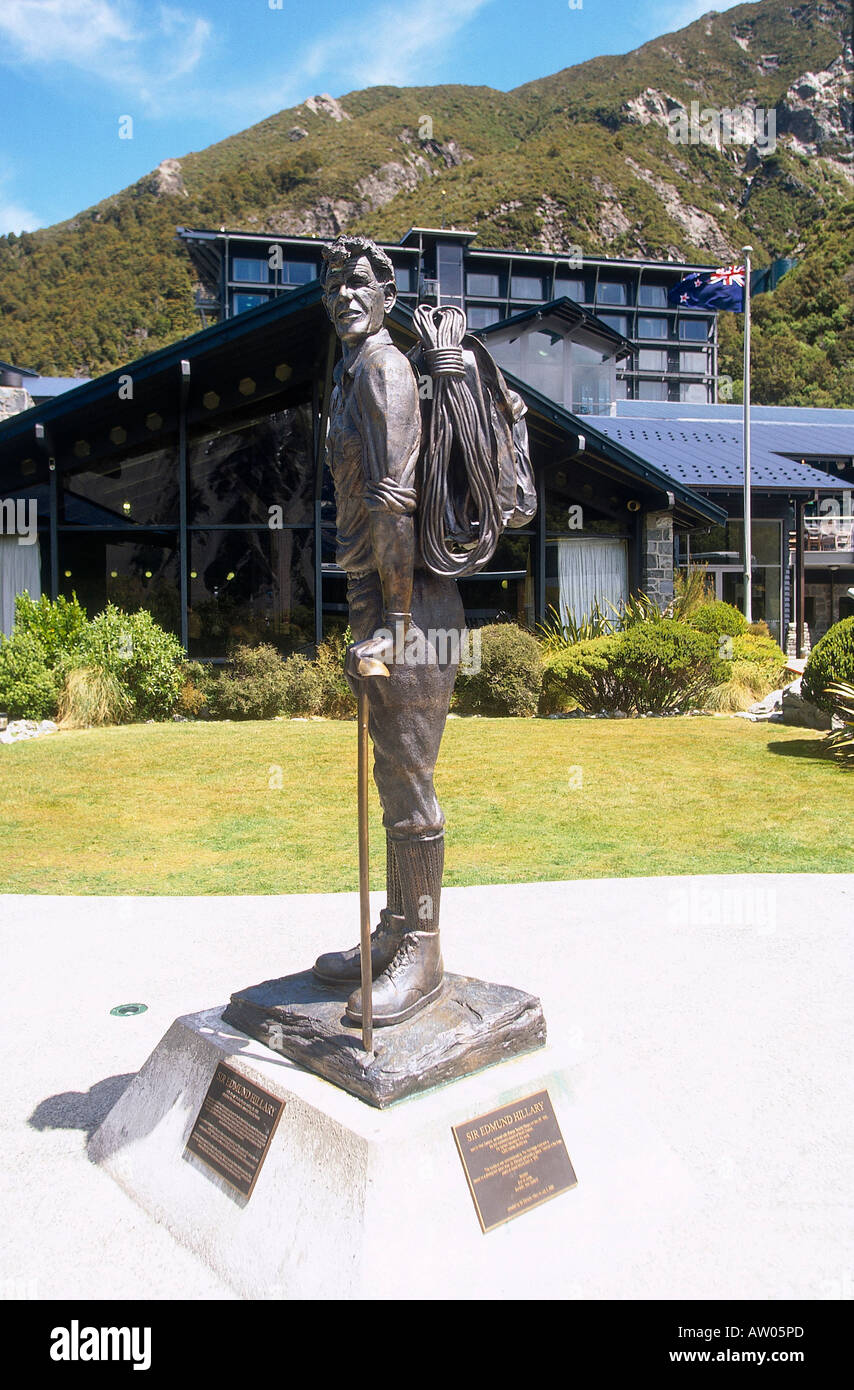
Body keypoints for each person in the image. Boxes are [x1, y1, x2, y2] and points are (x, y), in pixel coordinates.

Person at [312, 235, 465, 1027]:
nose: (345, 295)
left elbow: (394, 500)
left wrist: (396, 627)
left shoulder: (382, 369)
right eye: (334, 284)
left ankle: (424, 948)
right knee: (389, 772)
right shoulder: (346, 377)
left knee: (409, 776)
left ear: (388, 296)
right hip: (379, 595)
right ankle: (397, 927)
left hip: (416, 606)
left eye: (361, 283)